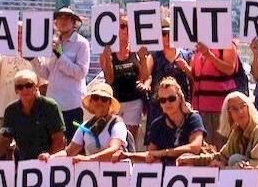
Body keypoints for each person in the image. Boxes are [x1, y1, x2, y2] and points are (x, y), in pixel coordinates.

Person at [31, 7, 90, 140]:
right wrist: (33, 59)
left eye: (67, 18)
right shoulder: (52, 43)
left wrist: (60, 55)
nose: (63, 21)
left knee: (73, 143)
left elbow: (80, 73)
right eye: (60, 18)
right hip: (53, 105)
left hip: (72, 104)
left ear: (74, 23)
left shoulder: (81, 43)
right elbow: (46, 73)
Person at [0, 70, 66, 162]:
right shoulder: (11, 111)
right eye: (20, 87)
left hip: (48, 162)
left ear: (36, 86)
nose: (25, 89)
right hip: (23, 163)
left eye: (29, 85)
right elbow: (6, 139)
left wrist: (50, 158)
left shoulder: (50, 106)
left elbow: (59, 139)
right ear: (16, 90)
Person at [123, 76, 206, 166]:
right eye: (163, 100)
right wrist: (128, 156)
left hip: (191, 170)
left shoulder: (193, 118)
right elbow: (151, 155)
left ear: (180, 98)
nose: (167, 103)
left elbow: (195, 147)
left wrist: (163, 153)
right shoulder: (157, 125)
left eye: (171, 99)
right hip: (165, 172)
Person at [100, 15, 150, 143]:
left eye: (129, 27)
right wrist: (107, 58)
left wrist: (143, 59)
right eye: (122, 26)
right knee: (113, 138)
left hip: (133, 101)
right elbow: (109, 79)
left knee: (130, 139)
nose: (126, 30)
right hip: (114, 101)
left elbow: (144, 77)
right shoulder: (107, 51)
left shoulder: (137, 51)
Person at [50, 82, 129, 162]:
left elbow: (114, 149)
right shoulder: (85, 126)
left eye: (104, 99)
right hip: (93, 171)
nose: (99, 102)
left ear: (109, 103)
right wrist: (50, 157)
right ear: (91, 102)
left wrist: (89, 159)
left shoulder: (117, 123)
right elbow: (68, 152)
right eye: (95, 98)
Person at [0, 22, 35, 129]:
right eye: (16, 33)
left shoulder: (35, 58)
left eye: (22, 33)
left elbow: (43, 84)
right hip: (3, 113)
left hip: (29, 114)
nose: (19, 36)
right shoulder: (2, 55)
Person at [190, 35, 240, 149]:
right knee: (205, 149)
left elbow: (229, 69)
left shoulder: (227, 44)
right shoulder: (198, 47)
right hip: (201, 109)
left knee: (221, 148)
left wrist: (209, 55)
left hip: (220, 109)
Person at [213, 91, 258, 168]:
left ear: (249, 107)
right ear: (229, 114)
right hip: (248, 175)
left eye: (243, 106)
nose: (240, 112)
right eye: (234, 109)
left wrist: (226, 169)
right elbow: (223, 157)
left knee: (235, 159)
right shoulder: (237, 131)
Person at [148, 18, 193, 107]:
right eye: (164, 34)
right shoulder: (153, 56)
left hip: (182, 105)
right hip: (159, 105)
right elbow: (145, 77)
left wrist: (186, 68)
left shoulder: (187, 55)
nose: (168, 37)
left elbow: (194, 79)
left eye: (171, 33)